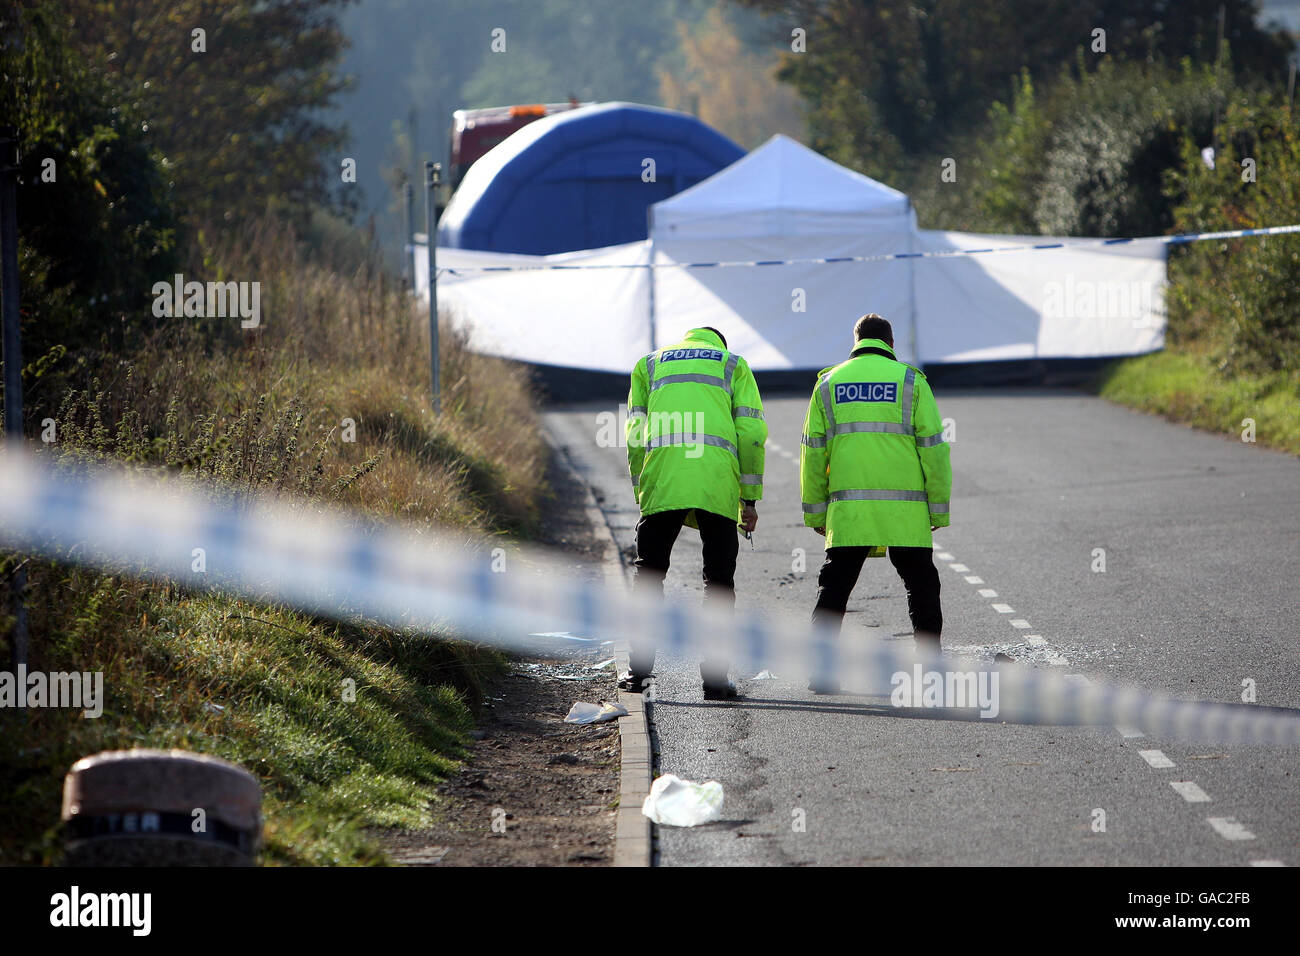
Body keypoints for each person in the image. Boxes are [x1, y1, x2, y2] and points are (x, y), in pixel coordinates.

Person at [799, 313, 951, 694]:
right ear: (891, 343)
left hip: (851, 513)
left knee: (834, 589)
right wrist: (938, 510)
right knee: (922, 587)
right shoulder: (912, 381)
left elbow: (813, 452)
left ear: (855, 341)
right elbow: (934, 448)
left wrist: (817, 512)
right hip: (905, 511)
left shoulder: (828, 383)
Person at [621, 326, 767, 700]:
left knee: (649, 575)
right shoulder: (733, 364)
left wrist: (643, 486)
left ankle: (637, 674)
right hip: (715, 483)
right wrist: (748, 501)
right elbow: (750, 433)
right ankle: (715, 680)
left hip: (664, 479)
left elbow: (636, 432)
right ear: (718, 343)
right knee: (718, 583)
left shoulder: (649, 365)